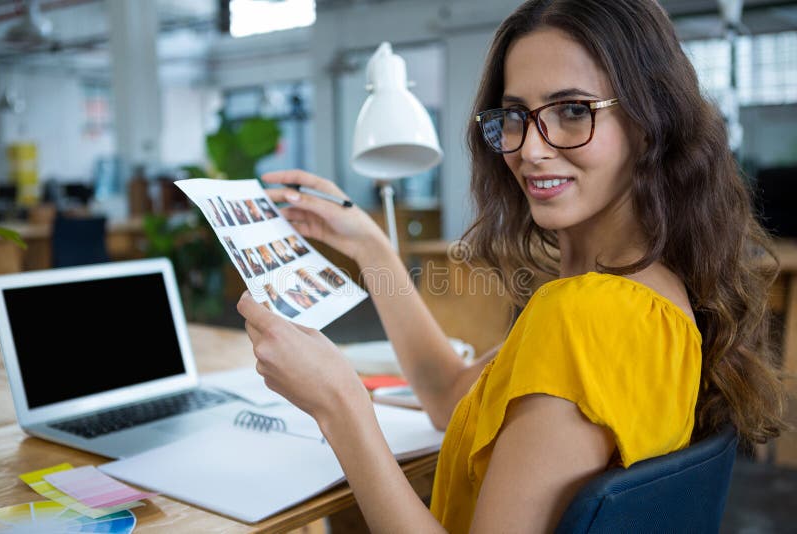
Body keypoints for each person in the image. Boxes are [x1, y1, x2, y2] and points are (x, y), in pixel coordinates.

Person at [237, 0, 787, 531]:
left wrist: (338, 404)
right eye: (516, 116)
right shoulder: (641, 295)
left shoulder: (586, 317)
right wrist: (371, 249)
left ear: (650, 122)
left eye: (573, 111)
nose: (529, 149)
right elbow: (447, 396)